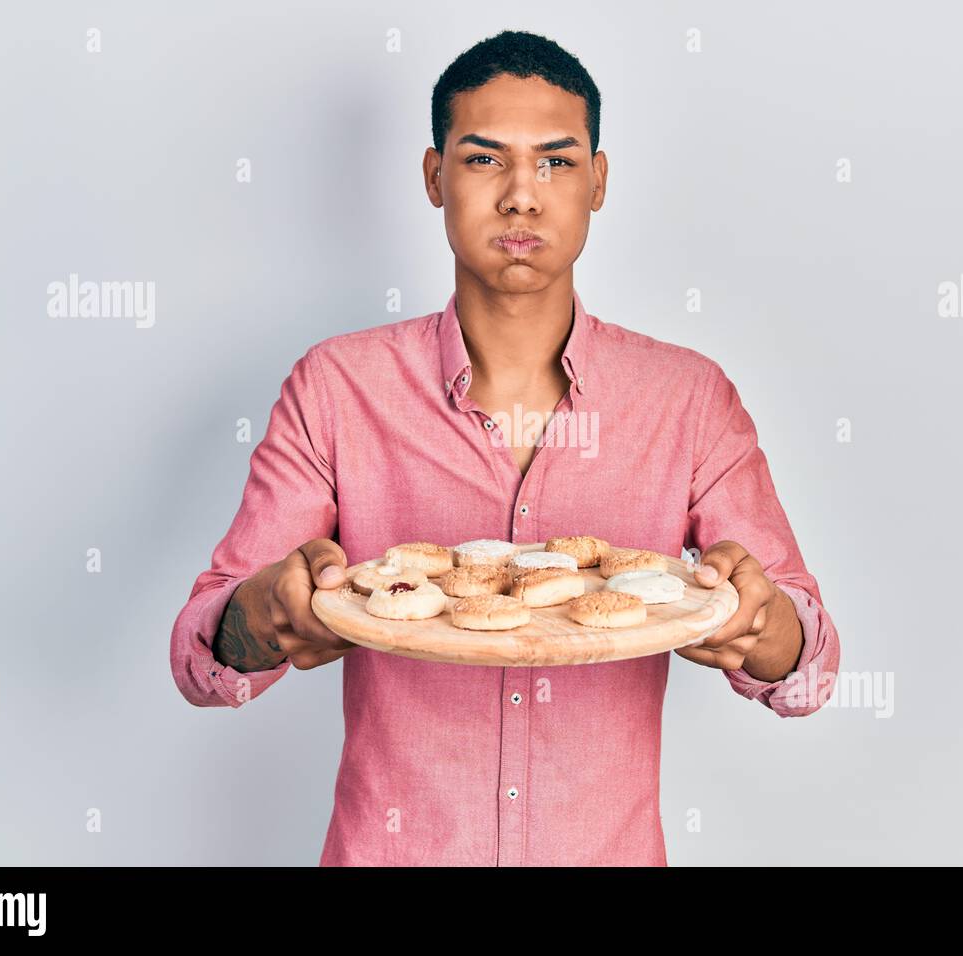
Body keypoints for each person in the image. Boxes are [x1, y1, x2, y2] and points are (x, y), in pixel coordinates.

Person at [170, 29, 840, 866]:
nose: (523, 195)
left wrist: (761, 624)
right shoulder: (337, 388)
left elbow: (809, 667)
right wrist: (265, 614)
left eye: (557, 162)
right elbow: (203, 658)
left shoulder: (689, 399)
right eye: (485, 160)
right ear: (434, 177)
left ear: (598, 182)